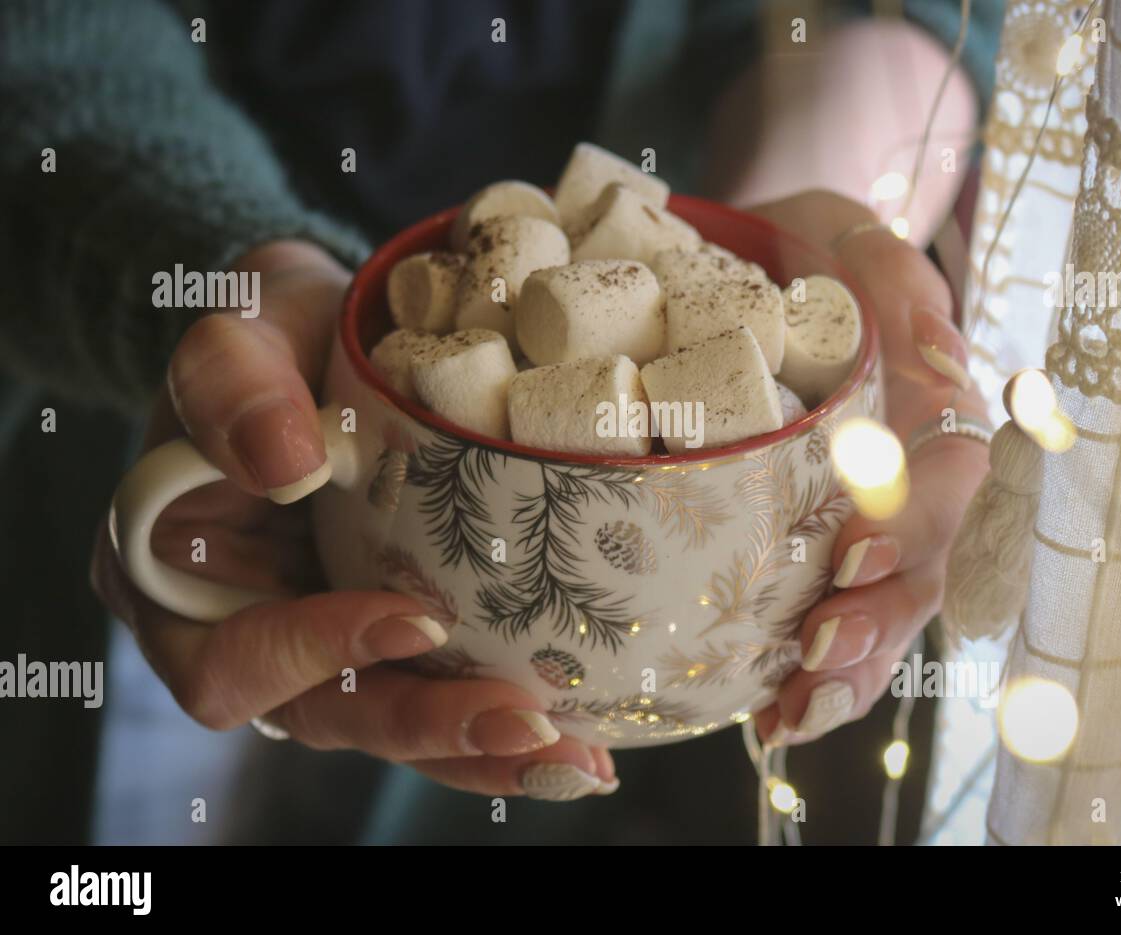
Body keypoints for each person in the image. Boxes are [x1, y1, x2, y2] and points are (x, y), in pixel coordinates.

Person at [0, 0, 1003, 843]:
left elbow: (926, 17)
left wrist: (791, 226)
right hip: (163, 448)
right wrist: (221, 271)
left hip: (624, 619)